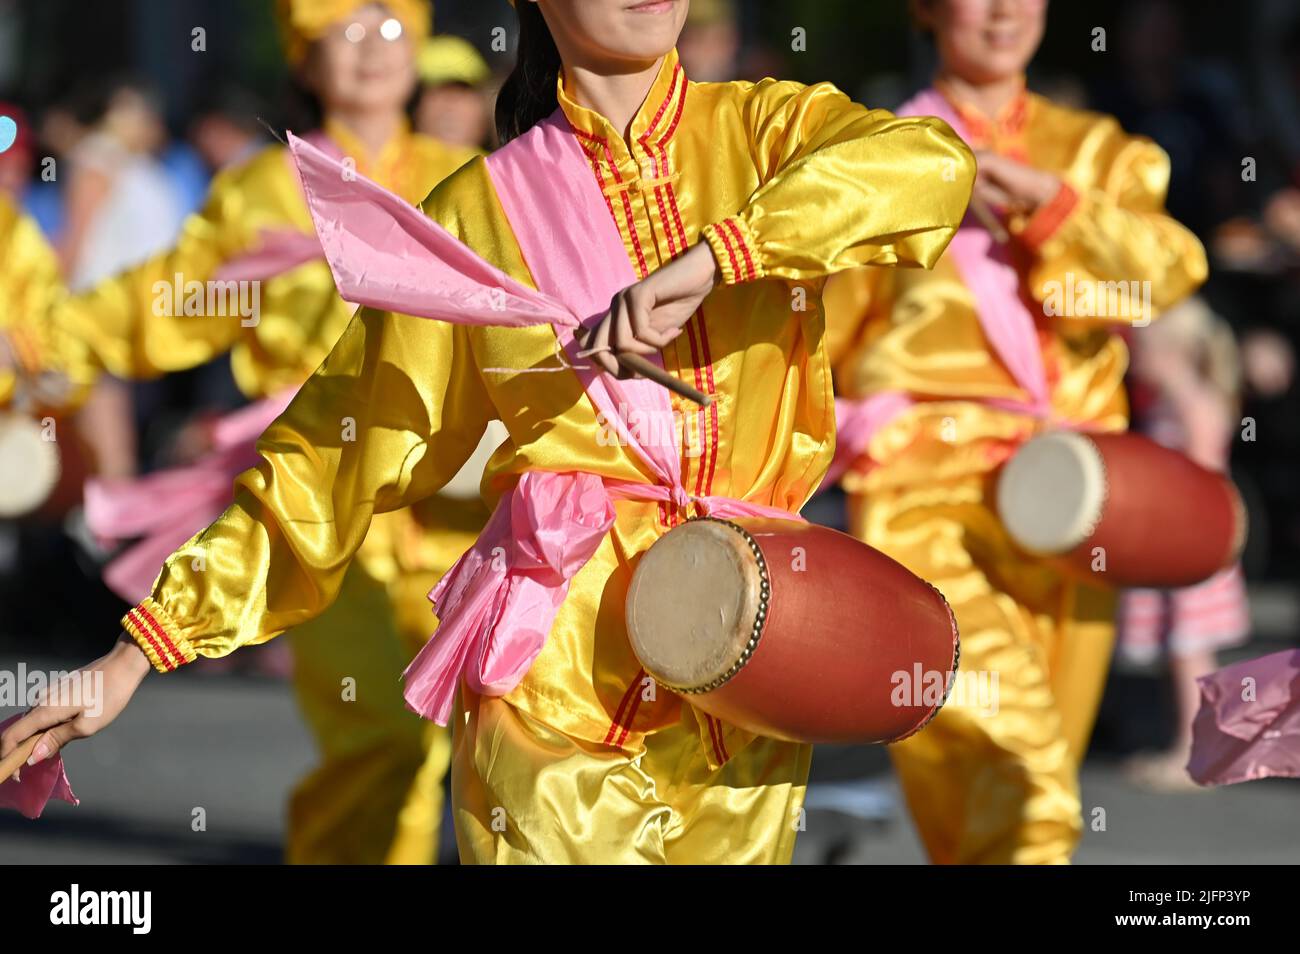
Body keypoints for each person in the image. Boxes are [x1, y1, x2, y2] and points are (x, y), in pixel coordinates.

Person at [5, 0, 974, 864]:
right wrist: (141, 650)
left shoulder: (770, 129)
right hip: (556, 671)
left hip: (756, 644)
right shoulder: (474, 208)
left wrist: (722, 257)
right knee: (379, 755)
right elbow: (338, 445)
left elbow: (927, 166)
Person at [2, 0, 489, 865]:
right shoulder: (270, 188)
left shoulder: (471, 176)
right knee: (383, 734)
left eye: (389, 28)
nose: (371, 51)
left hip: (470, 507)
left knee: (501, 752)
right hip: (323, 506)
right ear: (304, 60)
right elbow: (173, 301)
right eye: (344, 31)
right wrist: (42, 345)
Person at [824, 0, 1207, 863]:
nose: (1003, 11)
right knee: (1021, 759)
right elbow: (818, 337)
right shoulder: (875, 157)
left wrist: (1055, 210)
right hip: (924, 501)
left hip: (1078, 506)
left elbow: (1161, 281)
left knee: (1018, 785)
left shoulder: (1100, 151)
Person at [1119, 298, 1251, 791]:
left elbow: (1201, 482)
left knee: (1189, 652)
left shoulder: (1192, 403)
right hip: (1181, 549)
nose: (1135, 356)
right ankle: (1190, 742)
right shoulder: (1178, 400)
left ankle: (1195, 751)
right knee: (1181, 650)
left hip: (1194, 552)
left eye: (1142, 346)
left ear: (1171, 351)